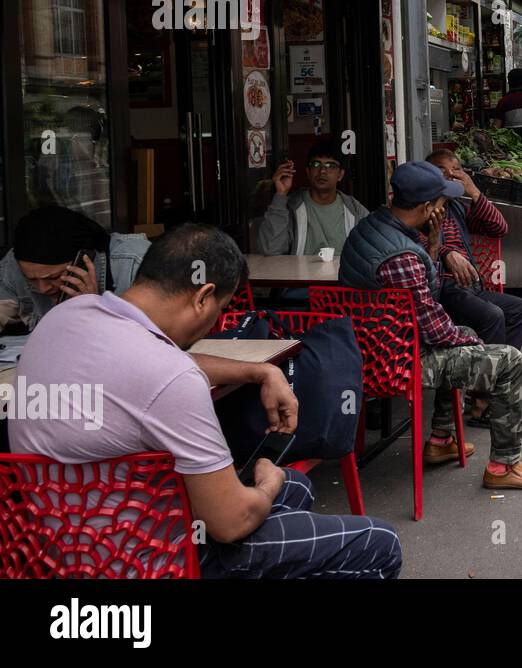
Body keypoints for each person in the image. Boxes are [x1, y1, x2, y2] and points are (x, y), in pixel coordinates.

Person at [10, 223, 402, 578]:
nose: (217, 323)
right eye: (222, 310)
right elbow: (230, 523)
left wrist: (261, 370)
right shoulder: (171, 379)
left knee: (295, 485)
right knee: (378, 540)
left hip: (56, 547)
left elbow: (161, 364)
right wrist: (266, 485)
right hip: (157, 558)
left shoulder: (66, 318)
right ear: (203, 296)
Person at [339, 162, 522, 489]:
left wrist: (434, 243)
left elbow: (428, 305)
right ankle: (504, 466)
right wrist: (477, 345)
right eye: (441, 203)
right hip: (395, 362)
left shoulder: (369, 228)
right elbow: (435, 329)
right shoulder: (402, 258)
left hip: (367, 347)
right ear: (427, 208)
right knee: (508, 360)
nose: (445, 208)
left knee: (462, 337)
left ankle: (441, 439)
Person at [426, 148, 522, 427]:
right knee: (492, 315)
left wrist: (473, 191)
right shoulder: (422, 206)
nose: (450, 177)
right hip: (445, 289)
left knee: (519, 309)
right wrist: (447, 251)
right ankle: (482, 402)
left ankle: (496, 382)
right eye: (442, 172)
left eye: (455, 171)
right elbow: (417, 244)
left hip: (470, 286)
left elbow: (499, 227)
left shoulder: (457, 206)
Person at [0, 205, 151, 334]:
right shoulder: (16, 264)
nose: (43, 289)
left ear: (84, 258)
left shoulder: (135, 262)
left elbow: (155, 345)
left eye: (53, 277)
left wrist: (94, 308)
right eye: (31, 279)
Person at [257, 137, 368, 257]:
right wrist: (280, 195)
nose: (322, 171)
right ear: (308, 172)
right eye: (316, 164)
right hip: (301, 275)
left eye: (330, 165)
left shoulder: (354, 209)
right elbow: (270, 249)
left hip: (343, 275)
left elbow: (373, 249)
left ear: (340, 175)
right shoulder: (292, 207)